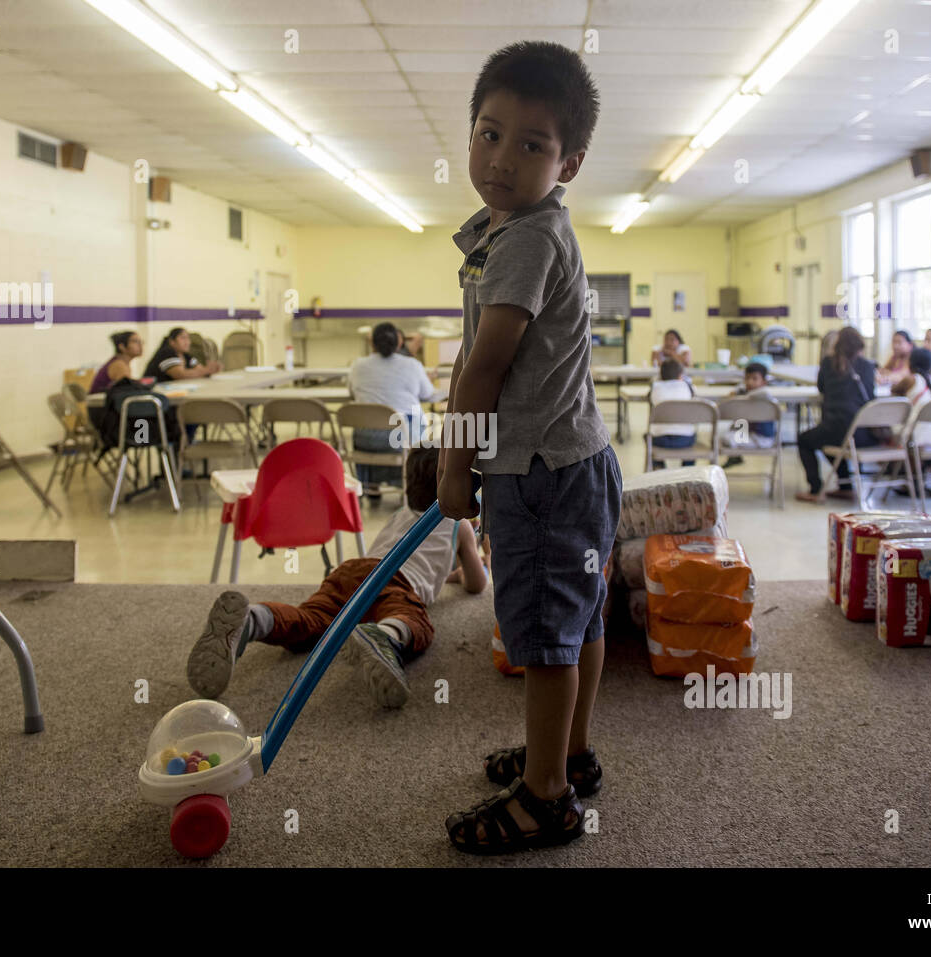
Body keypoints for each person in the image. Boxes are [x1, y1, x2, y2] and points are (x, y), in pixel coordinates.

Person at [439, 40, 621, 854]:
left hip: (539, 475)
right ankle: (570, 754)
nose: (501, 158)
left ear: (569, 161)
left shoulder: (523, 241)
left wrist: (453, 465)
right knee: (577, 622)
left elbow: (487, 365)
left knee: (545, 636)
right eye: (488, 132)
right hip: (577, 461)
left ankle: (545, 797)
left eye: (531, 144)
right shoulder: (519, 228)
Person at [185, 448, 487, 708]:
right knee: (414, 622)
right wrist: (464, 568)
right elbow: (477, 584)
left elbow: (413, 553)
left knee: (311, 620)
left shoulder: (401, 513)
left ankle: (253, 619)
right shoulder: (457, 527)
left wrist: (447, 574)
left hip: (352, 572)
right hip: (397, 584)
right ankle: (385, 636)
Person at [349, 322, 437, 499]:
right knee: (415, 424)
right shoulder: (412, 365)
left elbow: (352, 393)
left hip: (366, 439)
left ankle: (371, 486)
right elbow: (428, 394)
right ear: (399, 343)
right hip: (400, 440)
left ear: (371, 343)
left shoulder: (357, 365)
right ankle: (406, 484)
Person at [795, 326, 878, 503]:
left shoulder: (828, 363)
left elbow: (821, 388)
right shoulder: (868, 366)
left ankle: (816, 489)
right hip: (865, 434)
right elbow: (871, 396)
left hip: (838, 429)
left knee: (805, 440)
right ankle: (845, 487)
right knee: (828, 442)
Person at [722, 361, 776, 468]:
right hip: (750, 433)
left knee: (723, 438)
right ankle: (734, 457)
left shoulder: (764, 396)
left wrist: (741, 394)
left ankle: (734, 456)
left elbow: (762, 393)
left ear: (764, 382)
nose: (749, 382)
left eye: (754, 379)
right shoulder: (746, 393)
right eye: (747, 378)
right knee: (733, 426)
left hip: (762, 439)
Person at [649, 358, 697, 467]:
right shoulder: (688, 387)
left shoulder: (654, 387)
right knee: (694, 434)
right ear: (681, 375)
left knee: (646, 437)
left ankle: (659, 467)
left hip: (659, 439)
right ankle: (687, 469)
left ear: (661, 375)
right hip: (685, 439)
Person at [144, 327, 221, 382]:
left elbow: (200, 370)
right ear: (172, 342)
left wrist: (212, 369)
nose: (187, 342)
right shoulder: (166, 353)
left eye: (188, 338)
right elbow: (181, 375)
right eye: (183, 338)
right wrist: (207, 370)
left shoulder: (186, 356)